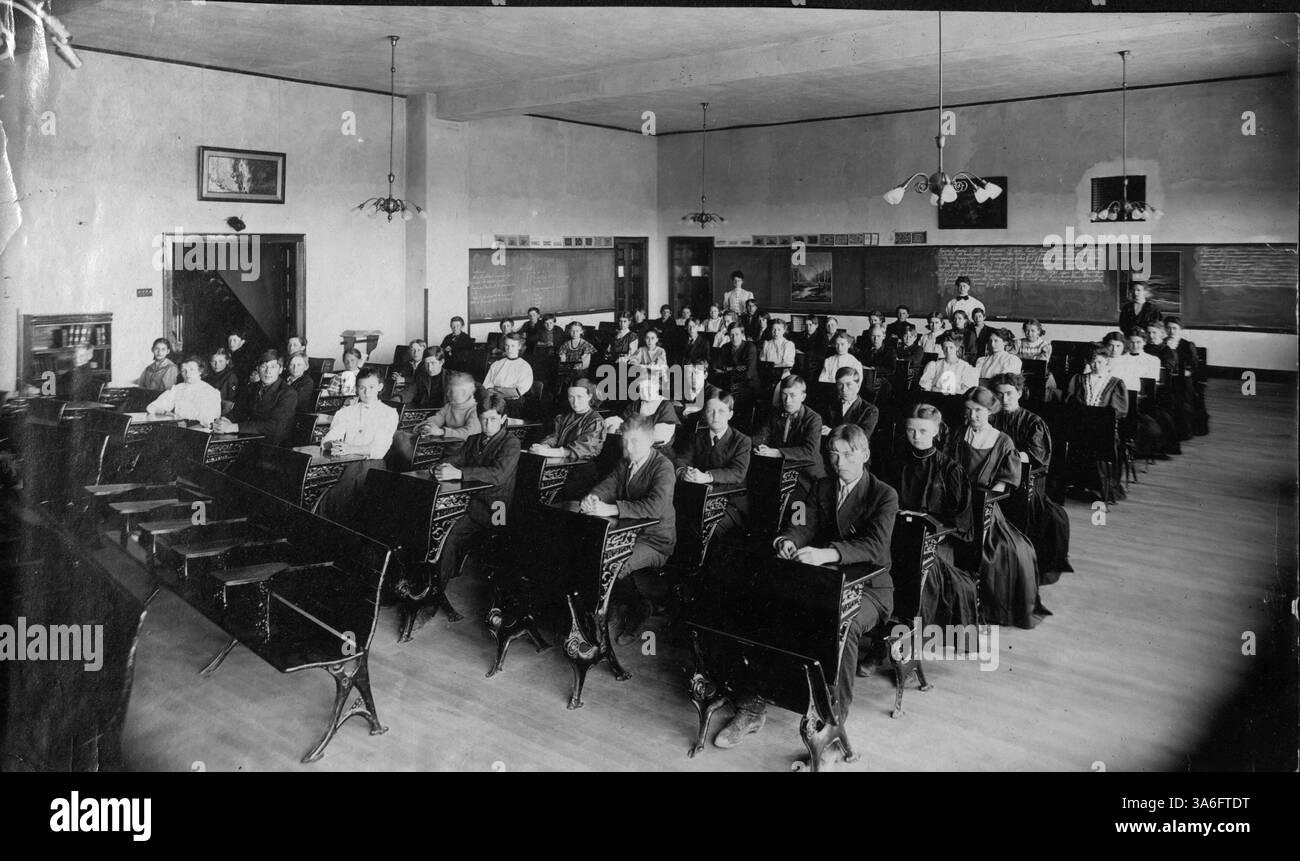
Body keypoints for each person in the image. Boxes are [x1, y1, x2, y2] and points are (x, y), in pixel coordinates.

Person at [713, 423, 896, 749]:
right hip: (823, 580)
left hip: (870, 589)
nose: (838, 462)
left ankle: (833, 723)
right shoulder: (821, 486)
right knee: (766, 606)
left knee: (845, 626)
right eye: (832, 454)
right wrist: (786, 540)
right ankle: (753, 705)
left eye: (846, 454)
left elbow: (875, 547)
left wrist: (829, 553)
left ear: (865, 454)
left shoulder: (883, 494)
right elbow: (801, 523)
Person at [948, 386, 1046, 629]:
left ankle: (988, 607)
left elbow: (1005, 481)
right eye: (969, 411)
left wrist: (984, 500)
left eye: (979, 411)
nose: (973, 417)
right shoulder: (959, 434)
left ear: (990, 411)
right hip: (956, 505)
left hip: (986, 507)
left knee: (1008, 552)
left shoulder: (1003, 441)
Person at [576, 415, 677, 645]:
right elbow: (608, 485)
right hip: (627, 533)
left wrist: (610, 508)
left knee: (612, 563)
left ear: (651, 440)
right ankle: (624, 605)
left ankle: (635, 610)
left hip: (655, 540)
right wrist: (592, 499)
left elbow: (655, 507)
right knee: (592, 554)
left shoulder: (664, 466)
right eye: (626, 441)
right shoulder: (625, 463)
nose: (629, 448)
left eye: (635, 442)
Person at [884, 403, 979, 627]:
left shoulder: (950, 469)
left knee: (914, 565)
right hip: (895, 532)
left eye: (923, 431)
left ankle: (906, 625)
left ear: (936, 431)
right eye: (911, 430)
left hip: (937, 539)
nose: (916, 436)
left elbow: (960, 521)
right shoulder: (896, 462)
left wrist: (930, 529)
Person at [432, 392, 521, 590]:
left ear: (504, 419)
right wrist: (439, 467)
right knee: (439, 527)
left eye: (493, 419)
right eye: (483, 419)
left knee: (451, 534)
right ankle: (435, 583)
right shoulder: (474, 439)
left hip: (497, 508)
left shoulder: (511, 443)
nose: (487, 424)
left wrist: (460, 473)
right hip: (470, 503)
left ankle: (438, 589)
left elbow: (498, 475)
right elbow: (455, 459)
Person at [989, 374, 1073, 583]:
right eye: (999, 394)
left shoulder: (1033, 422)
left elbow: (1035, 456)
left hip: (1025, 479)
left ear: (1019, 393)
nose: (1004, 398)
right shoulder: (990, 417)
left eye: (1009, 393)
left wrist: (1004, 455)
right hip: (991, 474)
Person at [314, 368, 399, 528]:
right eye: (362, 388)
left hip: (372, 464)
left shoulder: (388, 413)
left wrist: (349, 448)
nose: (367, 392)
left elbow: (379, 450)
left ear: (380, 387)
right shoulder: (346, 411)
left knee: (340, 492)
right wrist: (334, 445)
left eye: (371, 387)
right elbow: (329, 439)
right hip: (343, 459)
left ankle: (327, 528)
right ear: (356, 388)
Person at [752, 375, 825, 488]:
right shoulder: (774, 414)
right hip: (781, 470)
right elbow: (759, 437)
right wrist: (758, 447)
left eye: (792, 395)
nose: (787, 400)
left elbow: (809, 451)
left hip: (807, 476)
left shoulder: (814, 419)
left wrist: (776, 452)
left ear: (803, 397)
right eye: (784, 394)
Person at [214, 350, 298, 446]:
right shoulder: (252, 388)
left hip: (273, 445)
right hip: (249, 439)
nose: (268, 371)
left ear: (280, 370)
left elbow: (274, 426)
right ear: (257, 369)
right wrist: (224, 421)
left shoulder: (288, 393)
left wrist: (233, 427)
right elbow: (239, 412)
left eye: (273, 367)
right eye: (263, 366)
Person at [529, 378, 607, 461]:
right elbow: (554, 436)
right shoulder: (563, 417)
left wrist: (549, 452)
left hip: (581, 465)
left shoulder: (596, 421)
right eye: (571, 397)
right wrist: (544, 446)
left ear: (589, 396)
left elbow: (583, 448)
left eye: (579, 397)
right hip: (560, 460)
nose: (575, 402)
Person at [145, 355, 221, 425]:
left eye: (191, 369)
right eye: (184, 370)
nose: (187, 374)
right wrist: (165, 413)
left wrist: (185, 423)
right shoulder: (178, 388)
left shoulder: (210, 392)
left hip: (198, 432)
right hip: (178, 427)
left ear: (200, 371)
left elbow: (209, 421)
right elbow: (152, 407)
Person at [606, 375, 680, 447]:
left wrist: (629, 433)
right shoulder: (636, 404)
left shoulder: (666, 406)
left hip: (656, 449)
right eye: (641, 389)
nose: (645, 392)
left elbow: (660, 437)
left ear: (657, 387)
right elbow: (622, 421)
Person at [1164, 317, 1208, 437]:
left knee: (1181, 397)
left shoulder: (1187, 345)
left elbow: (1194, 366)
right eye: (1168, 328)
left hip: (1183, 380)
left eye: (1174, 328)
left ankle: (1183, 430)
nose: (1171, 331)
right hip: (1166, 378)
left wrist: (1186, 372)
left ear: (1180, 330)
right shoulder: (1162, 343)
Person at [711, 322, 760, 421]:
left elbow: (748, 373)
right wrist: (735, 368)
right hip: (729, 383)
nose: (734, 337)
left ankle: (734, 424)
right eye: (731, 334)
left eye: (737, 334)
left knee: (732, 398)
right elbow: (716, 367)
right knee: (713, 393)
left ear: (742, 334)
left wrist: (727, 370)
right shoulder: (725, 347)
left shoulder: (750, 347)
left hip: (747, 385)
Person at [415, 372, 481, 442]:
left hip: (465, 447)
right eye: (448, 390)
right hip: (448, 443)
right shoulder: (449, 406)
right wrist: (427, 426)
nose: (447, 394)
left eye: (451, 392)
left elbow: (469, 433)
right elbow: (438, 418)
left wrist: (442, 432)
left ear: (464, 393)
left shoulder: (475, 410)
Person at [823, 366, 879, 440]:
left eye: (849, 384)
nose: (844, 389)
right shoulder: (829, 404)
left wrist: (832, 432)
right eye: (840, 384)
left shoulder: (870, 410)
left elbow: (862, 438)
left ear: (858, 386)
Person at [483, 333, 534, 399]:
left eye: (513, 346)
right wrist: (492, 391)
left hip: (514, 401)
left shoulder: (525, 367)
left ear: (519, 346)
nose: (509, 349)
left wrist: (498, 390)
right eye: (507, 345)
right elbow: (487, 385)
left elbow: (519, 391)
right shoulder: (496, 364)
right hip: (494, 398)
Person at [628, 327, 670, 394]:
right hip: (645, 376)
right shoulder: (641, 349)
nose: (650, 341)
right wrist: (644, 365)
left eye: (652, 338)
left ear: (657, 339)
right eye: (647, 338)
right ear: (644, 339)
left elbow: (658, 366)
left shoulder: (661, 351)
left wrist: (642, 366)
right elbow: (633, 360)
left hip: (658, 378)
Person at [759, 317, 795, 394]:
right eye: (774, 329)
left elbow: (788, 363)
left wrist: (771, 365)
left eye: (779, 329)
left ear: (784, 330)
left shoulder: (788, 344)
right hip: (768, 376)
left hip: (783, 377)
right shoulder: (767, 344)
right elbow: (762, 361)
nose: (776, 332)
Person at [205, 347, 240, 415]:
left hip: (223, 413)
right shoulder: (208, 377)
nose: (216, 365)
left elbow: (230, 404)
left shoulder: (231, 377)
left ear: (227, 361)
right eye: (213, 361)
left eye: (220, 361)